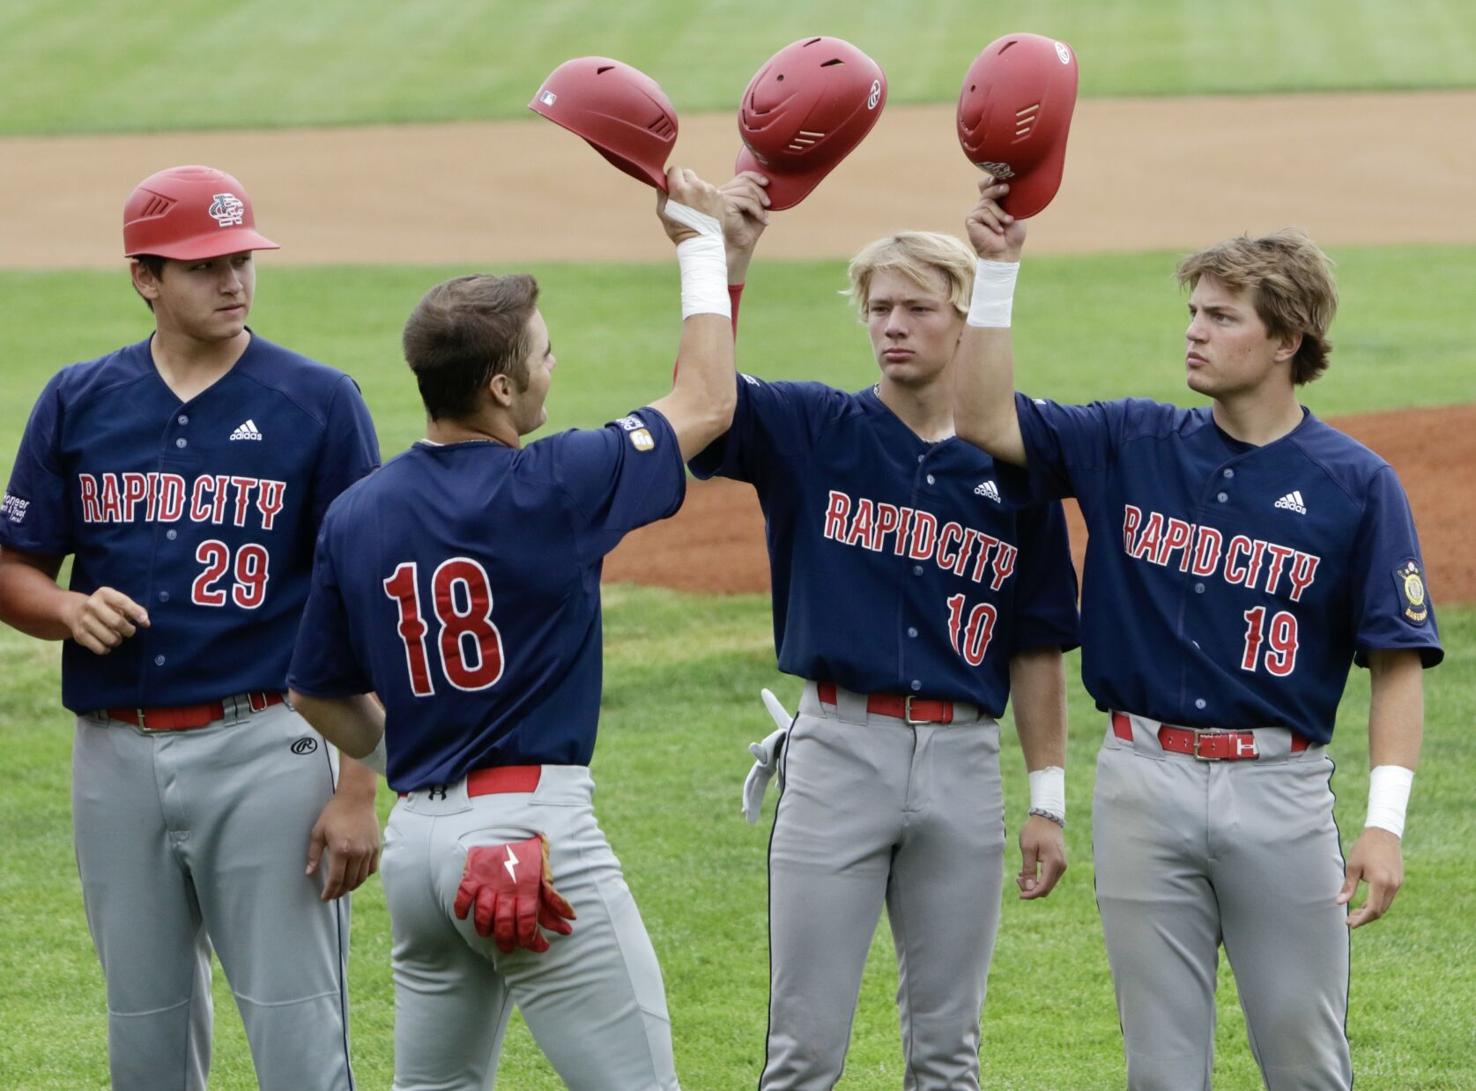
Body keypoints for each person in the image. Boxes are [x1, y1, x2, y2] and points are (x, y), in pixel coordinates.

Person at [951, 176, 1444, 1089]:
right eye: (1193, 311)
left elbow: (1397, 662)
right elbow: (983, 418)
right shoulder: (1130, 441)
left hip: (1282, 791)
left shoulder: (1356, 484)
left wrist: (1384, 825)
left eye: (1222, 316)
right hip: (1143, 782)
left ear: (1287, 340)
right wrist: (994, 273)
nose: (1195, 329)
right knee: (1161, 1068)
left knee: (1304, 1059)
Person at [284, 166, 748, 1091]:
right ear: (500, 386)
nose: (552, 367)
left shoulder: (359, 514)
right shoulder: (556, 481)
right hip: (532, 835)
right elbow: (708, 402)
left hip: (418, 848)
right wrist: (701, 246)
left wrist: (402, 750)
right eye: (541, 354)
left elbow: (314, 690)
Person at [0, 164, 381, 1091]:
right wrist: (64, 608)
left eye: (242, 258)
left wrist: (359, 785)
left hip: (269, 748)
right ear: (146, 278)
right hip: (113, 757)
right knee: (144, 1033)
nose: (234, 281)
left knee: (297, 1029)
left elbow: (369, 605)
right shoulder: (78, 399)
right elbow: (14, 568)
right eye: (205, 264)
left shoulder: (320, 402)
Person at [702, 177, 1081, 1090]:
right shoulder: (813, 428)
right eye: (879, 308)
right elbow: (707, 405)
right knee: (804, 1051)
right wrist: (731, 263)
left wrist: (1049, 798)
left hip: (962, 761)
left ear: (964, 318)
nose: (893, 324)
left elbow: (1035, 644)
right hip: (837, 750)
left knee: (948, 1054)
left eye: (918, 306)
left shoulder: (1013, 466)